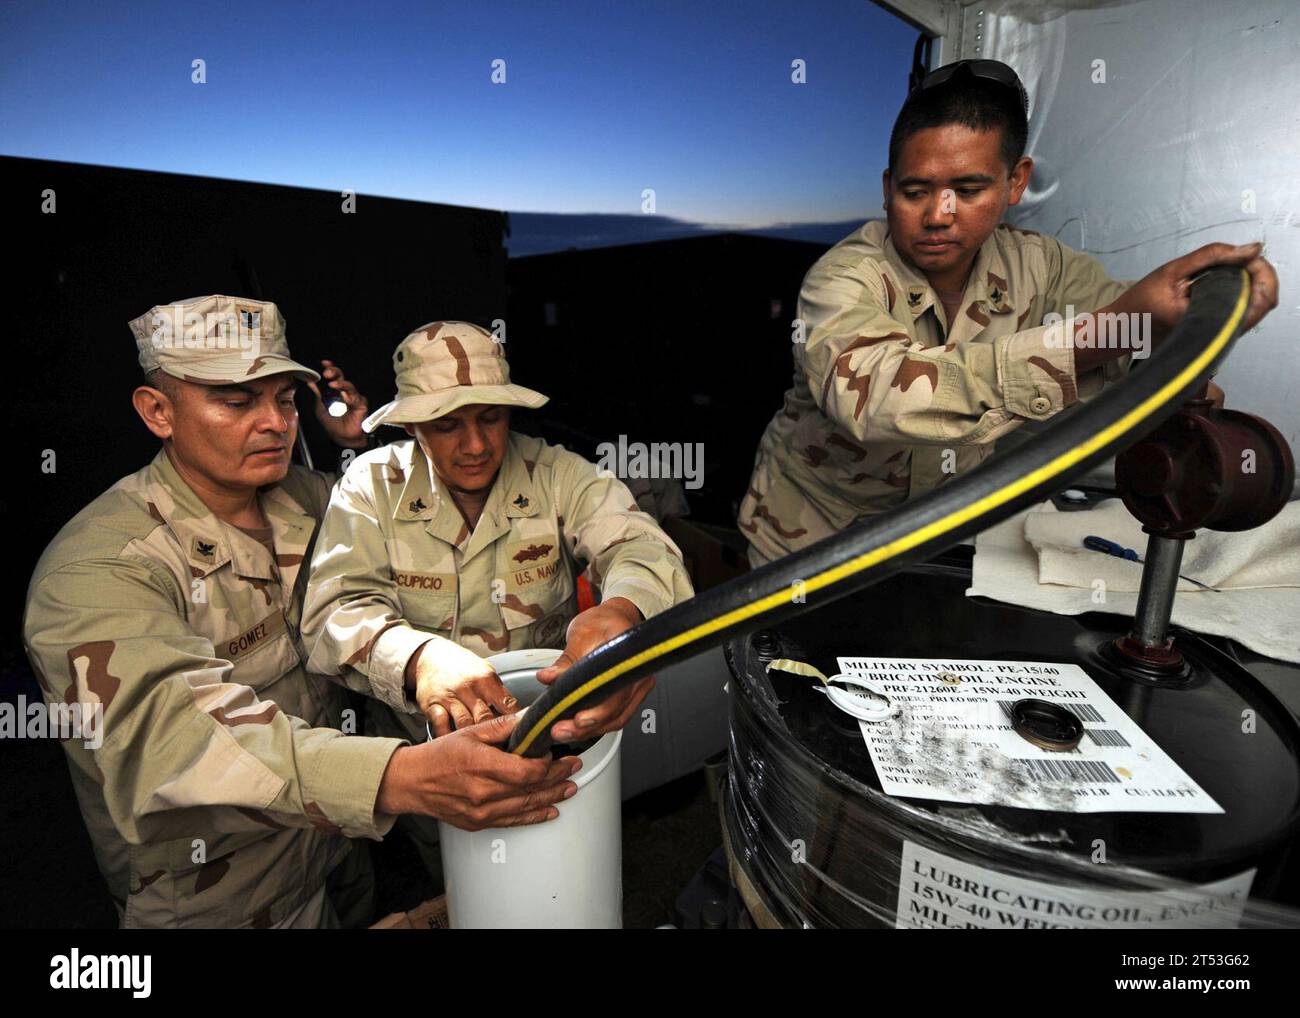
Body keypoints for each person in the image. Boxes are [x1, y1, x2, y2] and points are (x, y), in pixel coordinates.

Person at [22, 295, 577, 929]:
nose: (276, 423)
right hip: (221, 894)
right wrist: (401, 777)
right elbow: (165, 742)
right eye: (237, 401)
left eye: (284, 399)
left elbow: (404, 516)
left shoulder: (315, 500)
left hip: (336, 849)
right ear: (158, 412)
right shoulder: (99, 568)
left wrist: (372, 441)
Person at [739, 59, 1279, 566]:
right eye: (914, 191)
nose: (937, 215)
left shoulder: (1041, 267)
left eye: (968, 189)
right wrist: (1100, 337)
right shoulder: (844, 277)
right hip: (812, 541)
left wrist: (1204, 317)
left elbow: (1140, 340)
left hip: (941, 537)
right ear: (886, 189)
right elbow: (875, 398)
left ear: (1015, 181)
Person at [301, 320, 694, 878]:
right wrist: (418, 659)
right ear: (413, 427)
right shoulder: (369, 488)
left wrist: (624, 612)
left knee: (558, 877)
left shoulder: (557, 474)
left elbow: (642, 547)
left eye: (491, 417)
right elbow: (331, 613)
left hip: (550, 751)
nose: (477, 445)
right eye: (447, 425)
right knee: (459, 883)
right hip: (429, 762)